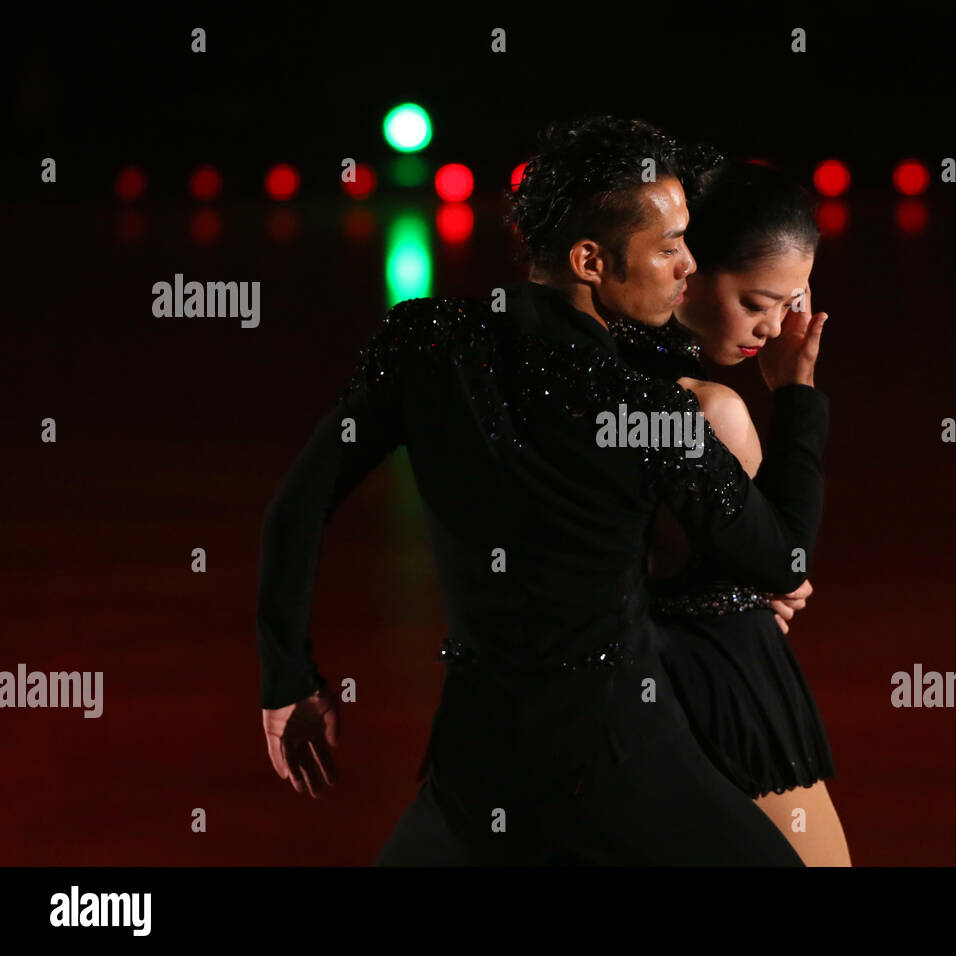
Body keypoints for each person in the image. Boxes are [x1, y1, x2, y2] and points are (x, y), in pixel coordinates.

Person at [255, 114, 831, 865]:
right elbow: (782, 559)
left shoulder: (425, 342)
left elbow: (297, 508)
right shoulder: (652, 414)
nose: (689, 265)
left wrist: (286, 681)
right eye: (668, 248)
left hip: (476, 756)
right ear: (591, 260)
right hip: (621, 756)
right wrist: (796, 396)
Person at [608, 157, 849, 866]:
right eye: (757, 302)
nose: (775, 328)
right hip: (723, 698)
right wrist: (797, 392)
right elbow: (788, 559)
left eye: (789, 304)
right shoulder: (709, 412)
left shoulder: (582, 381)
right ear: (687, 269)